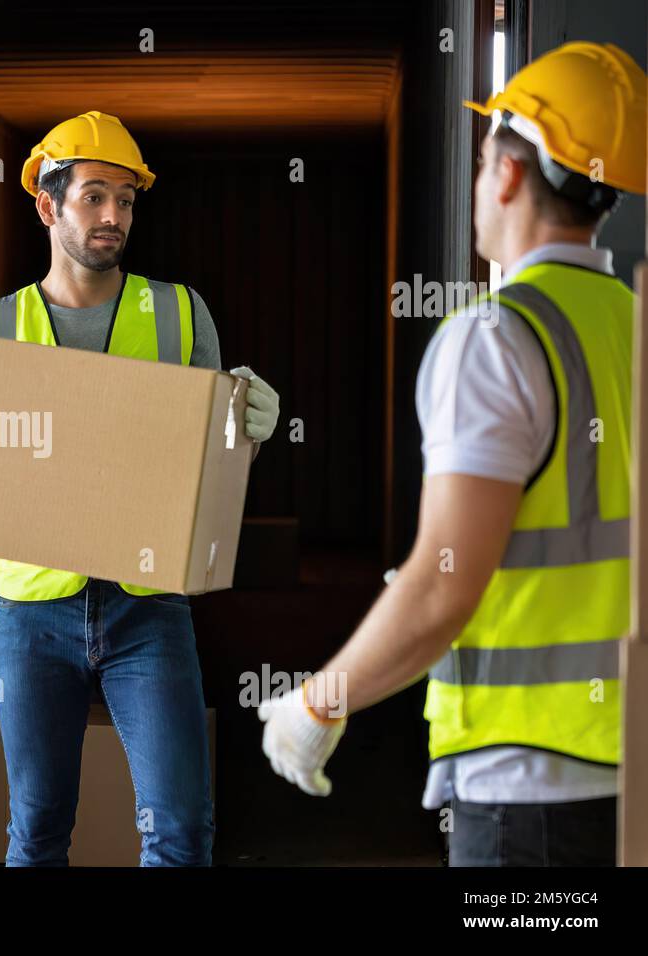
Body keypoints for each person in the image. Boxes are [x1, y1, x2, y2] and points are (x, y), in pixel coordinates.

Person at [258, 43, 646, 867]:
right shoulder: (634, 325)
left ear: (505, 175)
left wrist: (317, 704)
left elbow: (441, 586)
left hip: (528, 788)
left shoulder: (496, 339)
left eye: (479, 163)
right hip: (631, 772)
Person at [0, 111, 280, 866]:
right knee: (35, 833)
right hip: (33, 615)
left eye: (126, 201)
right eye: (94, 197)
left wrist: (248, 435)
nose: (113, 217)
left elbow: (215, 480)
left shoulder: (180, 315)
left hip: (149, 606)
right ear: (47, 205)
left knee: (183, 830)